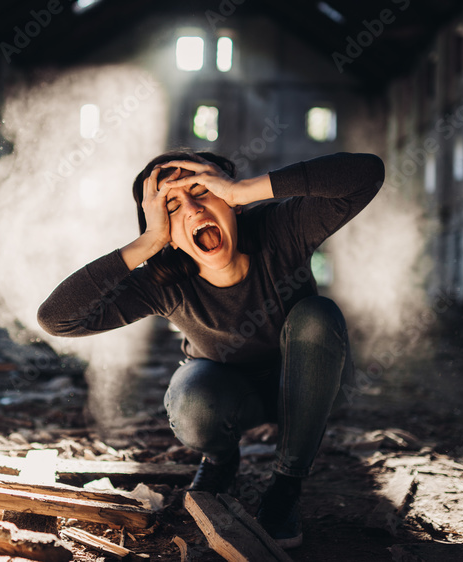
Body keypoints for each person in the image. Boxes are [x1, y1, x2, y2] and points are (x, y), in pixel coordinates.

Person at [38, 150, 385, 547]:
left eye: (203, 190)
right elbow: (56, 318)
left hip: (312, 389)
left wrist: (247, 190)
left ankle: (285, 485)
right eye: (171, 207)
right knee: (191, 397)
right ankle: (221, 458)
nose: (192, 208)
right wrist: (148, 242)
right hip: (230, 399)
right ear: (166, 232)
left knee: (317, 315)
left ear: (230, 198)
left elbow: (366, 173)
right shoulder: (163, 283)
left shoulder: (280, 230)